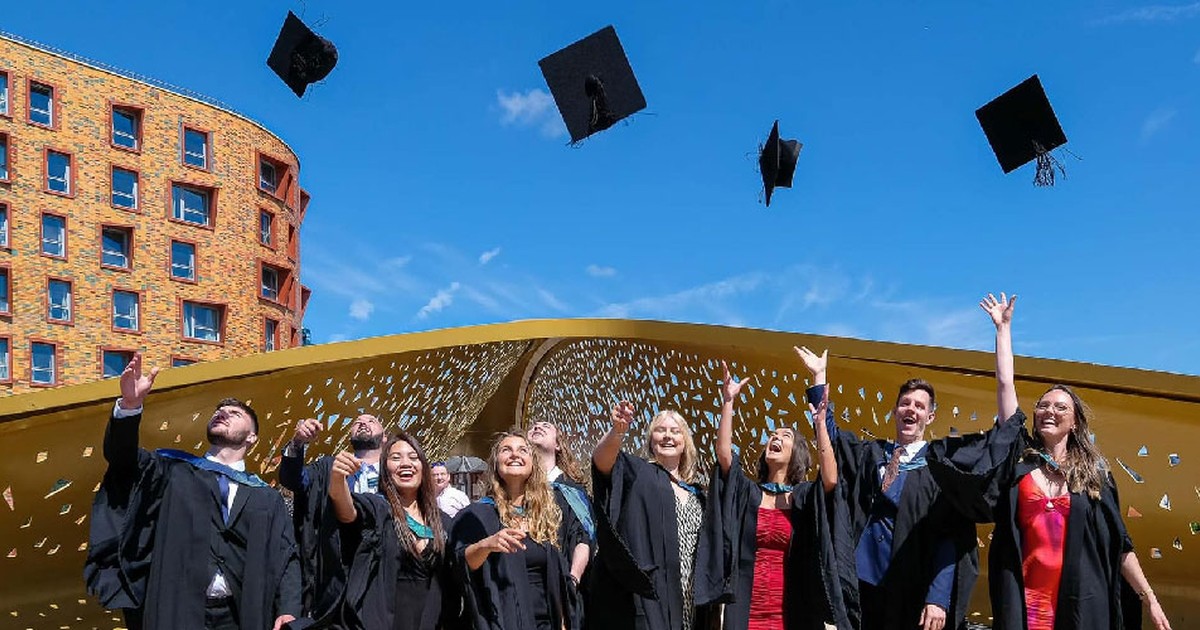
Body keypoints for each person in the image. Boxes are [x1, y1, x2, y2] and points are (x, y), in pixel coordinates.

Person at [928, 294, 1172, 630]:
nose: (1049, 411)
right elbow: (1005, 385)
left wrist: (1150, 599)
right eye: (1043, 405)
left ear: (1075, 422)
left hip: (1080, 605)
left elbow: (1120, 545)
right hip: (1024, 605)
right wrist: (1003, 329)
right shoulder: (1021, 462)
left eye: (1060, 407)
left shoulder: (1094, 476)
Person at [84, 353, 300, 630]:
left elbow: (286, 556)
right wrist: (129, 407)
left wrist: (289, 608)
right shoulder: (172, 471)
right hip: (177, 609)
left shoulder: (266, 497)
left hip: (242, 614)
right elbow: (121, 458)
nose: (223, 413)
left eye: (235, 414)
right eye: (219, 412)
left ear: (252, 437)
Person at [797, 347, 978, 630]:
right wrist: (819, 377)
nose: (911, 409)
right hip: (860, 586)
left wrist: (938, 598)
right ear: (895, 411)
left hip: (909, 591)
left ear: (930, 417)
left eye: (920, 406)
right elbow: (831, 439)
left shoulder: (938, 471)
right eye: (905, 403)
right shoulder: (870, 454)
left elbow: (949, 539)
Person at [697, 358, 853, 630]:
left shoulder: (803, 497)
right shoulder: (749, 493)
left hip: (794, 611)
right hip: (747, 609)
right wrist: (728, 402)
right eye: (772, 434)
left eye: (785, 436)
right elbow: (724, 456)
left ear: (796, 453)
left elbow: (830, 478)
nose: (775, 437)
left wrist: (820, 424)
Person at [590, 401, 716, 630]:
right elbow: (602, 462)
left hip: (689, 597)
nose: (668, 436)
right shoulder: (638, 472)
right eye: (660, 430)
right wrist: (617, 431)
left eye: (675, 431)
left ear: (685, 443)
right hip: (651, 594)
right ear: (650, 440)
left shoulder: (698, 494)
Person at [450, 431, 584, 630]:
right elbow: (460, 563)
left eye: (523, 450)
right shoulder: (478, 515)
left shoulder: (545, 516)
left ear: (533, 464)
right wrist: (486, 545)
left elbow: (556, 579)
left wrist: (563, 623)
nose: (515, 454)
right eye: (506, 450)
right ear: (495, 463)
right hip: (502, 622)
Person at [329, 431, 455, 630]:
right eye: (396, 458)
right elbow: (347, 512)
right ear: (385, 469)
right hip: (383, 620)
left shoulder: (442, 521)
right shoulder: (378, 509)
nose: (406, 463)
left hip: (429, 620)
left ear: (423, 467)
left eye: (413, 457)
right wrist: (337, 479)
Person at [279, 414, 385, 622]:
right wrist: (298, 442)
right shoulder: (328, 468)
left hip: (382, 569)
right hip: (335, 576)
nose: (363, 423)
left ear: (385, 437)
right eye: (357, 422)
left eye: (371, 421)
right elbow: (293, 480)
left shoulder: (397, 472)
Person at [527, 421, 595, 585]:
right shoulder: (514, 488)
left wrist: (573, 579)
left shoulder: (572, 491)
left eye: (546, 426)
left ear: (558, 445)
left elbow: (583, 538)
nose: (537, 427)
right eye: (533, 426)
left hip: (561, 582)